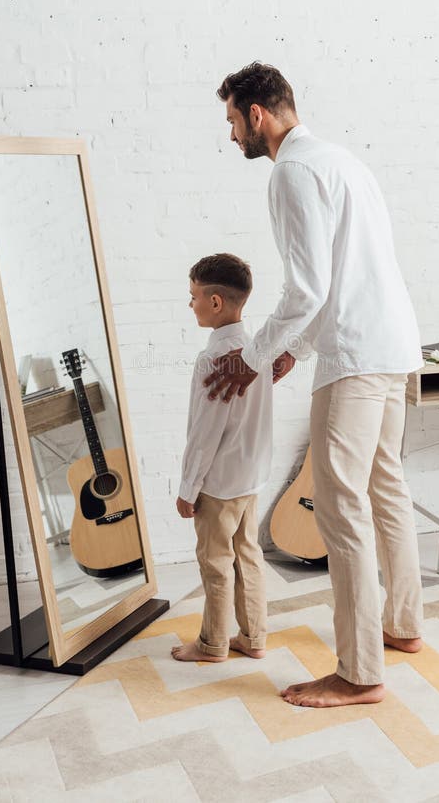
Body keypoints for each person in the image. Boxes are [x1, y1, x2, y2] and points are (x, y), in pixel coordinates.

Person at [205, 62, 424, 707]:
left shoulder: (291, 171)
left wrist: (257, 354)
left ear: (259, 114)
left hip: (355, 353)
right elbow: (344, 271)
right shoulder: (342, 160)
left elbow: (309, 287)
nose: (233, 136)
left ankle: (359, 673)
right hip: (392, 343)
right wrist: (296, 349)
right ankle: (404, 627)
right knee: (386, 485)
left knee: (338, 506)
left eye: (232, 122)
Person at [172, 253, 272, 663]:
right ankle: (254, 637)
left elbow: (203, 433)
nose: (190, 303)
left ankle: (213, 644)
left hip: (218, 481)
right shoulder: (258, 349)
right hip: (251, 475)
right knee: (248, 554)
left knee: (215, 562)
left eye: (194, 295)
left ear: (215, 302)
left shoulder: (214, 359)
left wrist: (187, 488)